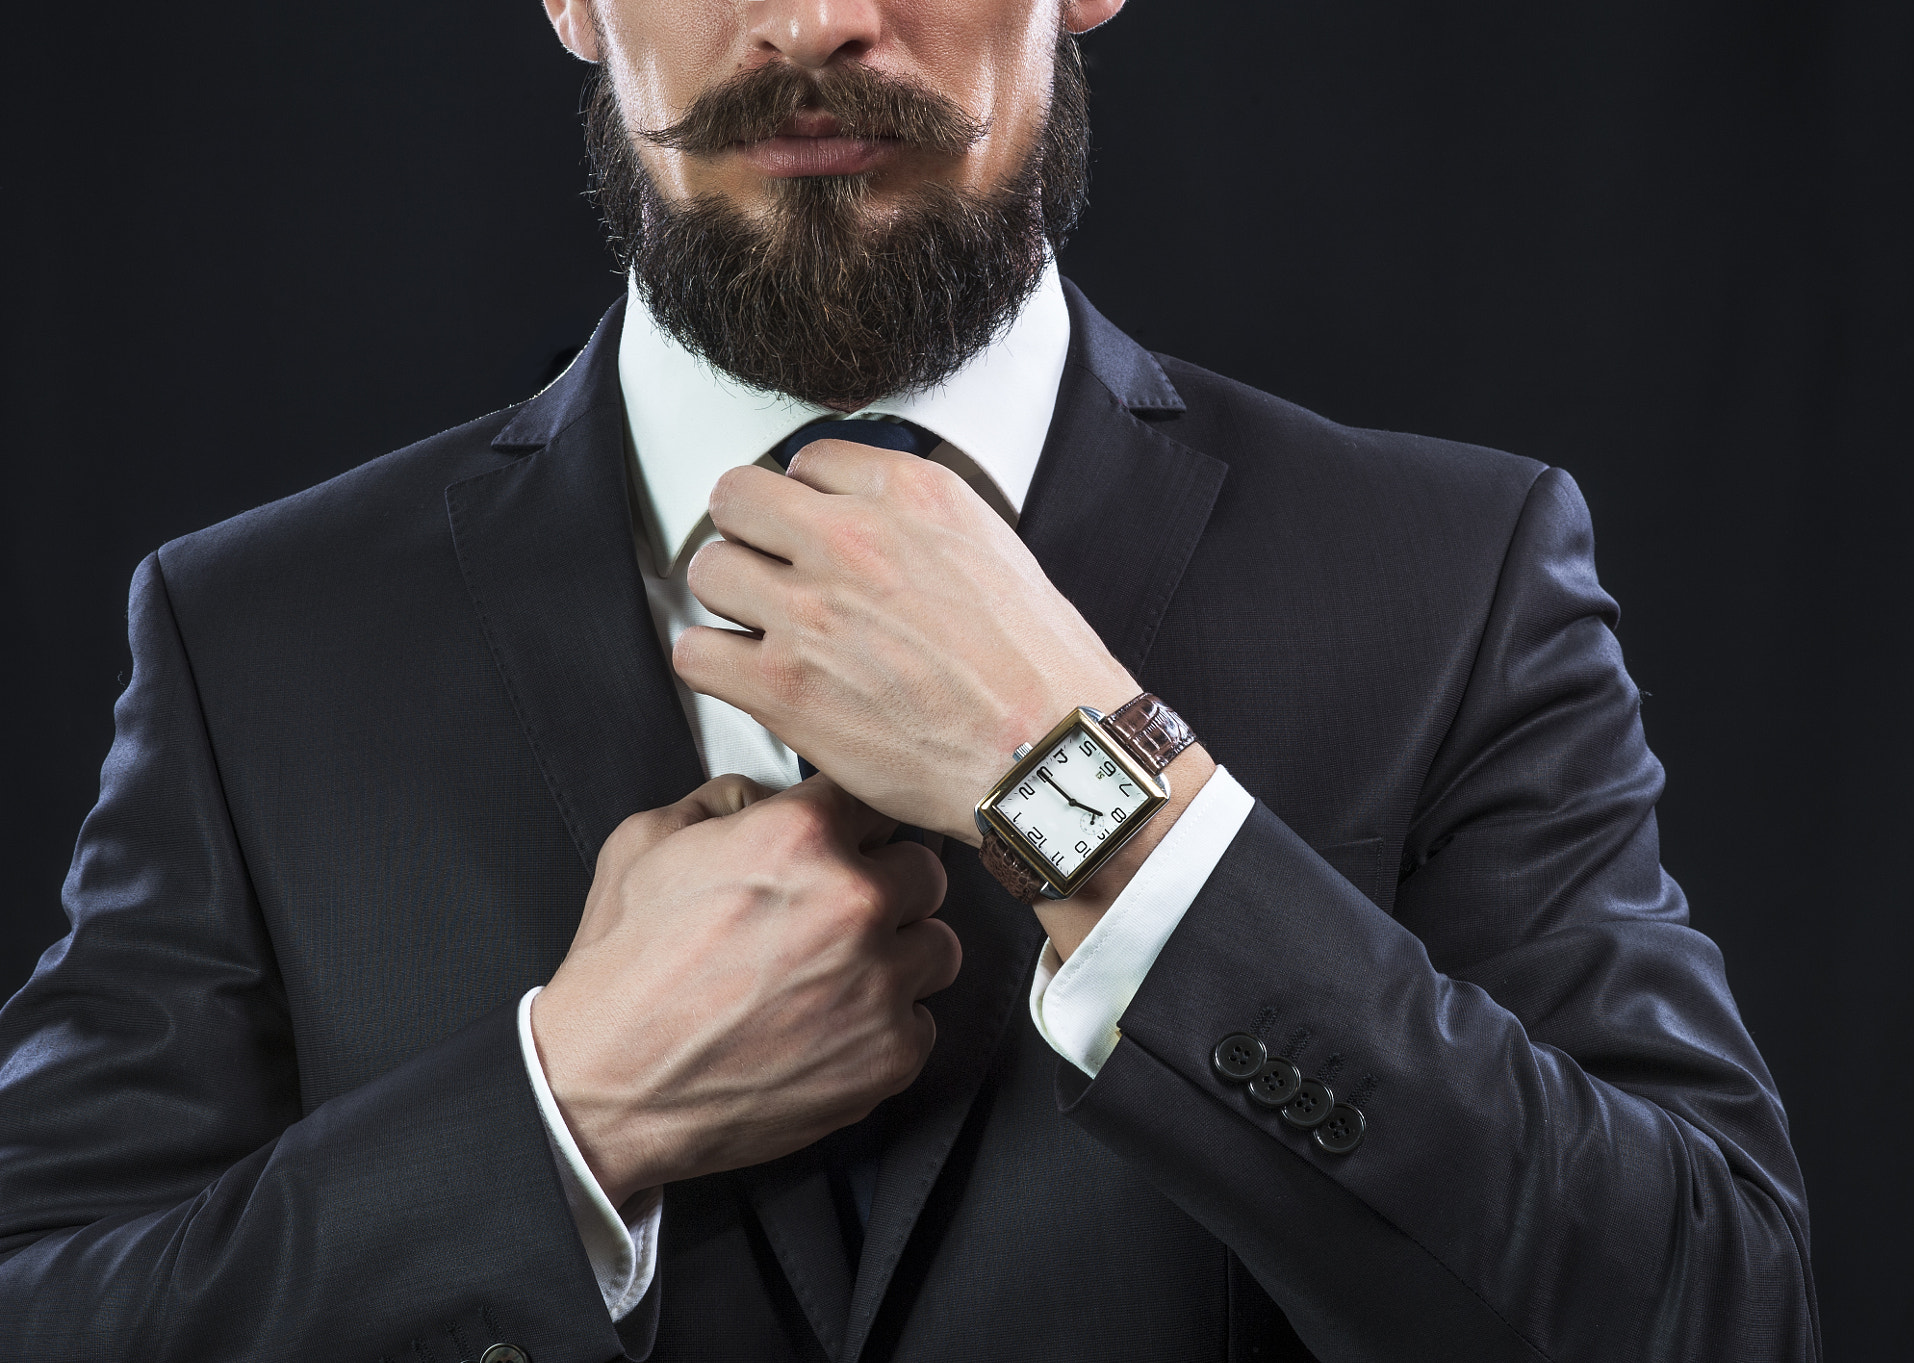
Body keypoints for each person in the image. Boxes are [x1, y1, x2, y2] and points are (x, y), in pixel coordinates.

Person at [0, 1, 1820, 1359]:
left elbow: (1712, 1311)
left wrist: (1095, 800)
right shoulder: (254, 634)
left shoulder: (1451, 575)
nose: (813, 24)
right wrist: (567, 1118)